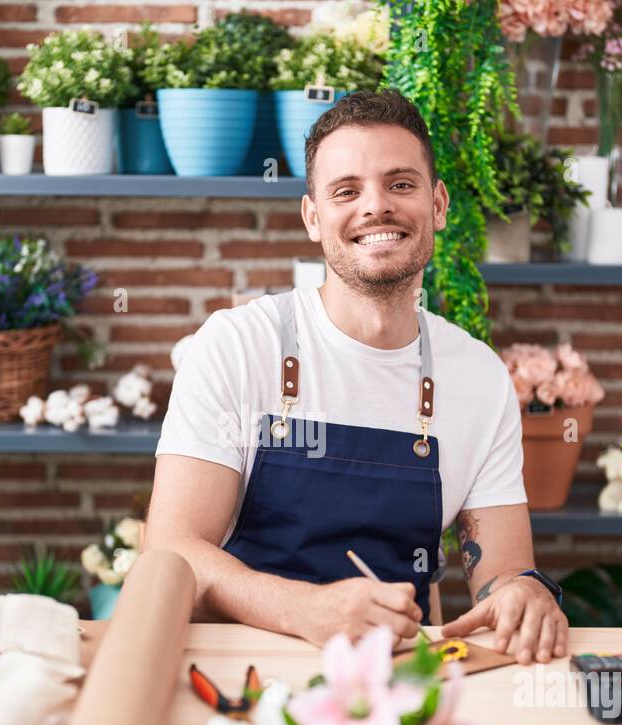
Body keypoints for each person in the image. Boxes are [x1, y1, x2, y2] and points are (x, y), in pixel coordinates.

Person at [147, 89, 567, 664]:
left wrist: (523, 593)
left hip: (396, 677)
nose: (376, 207)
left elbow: (500, 575)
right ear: (313, 218)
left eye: (400, 184)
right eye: (347, 191)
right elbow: (171, 550)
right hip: (243, 668)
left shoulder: (478, 376)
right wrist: (307, 610)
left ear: (438, 205)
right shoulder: (238, 344)